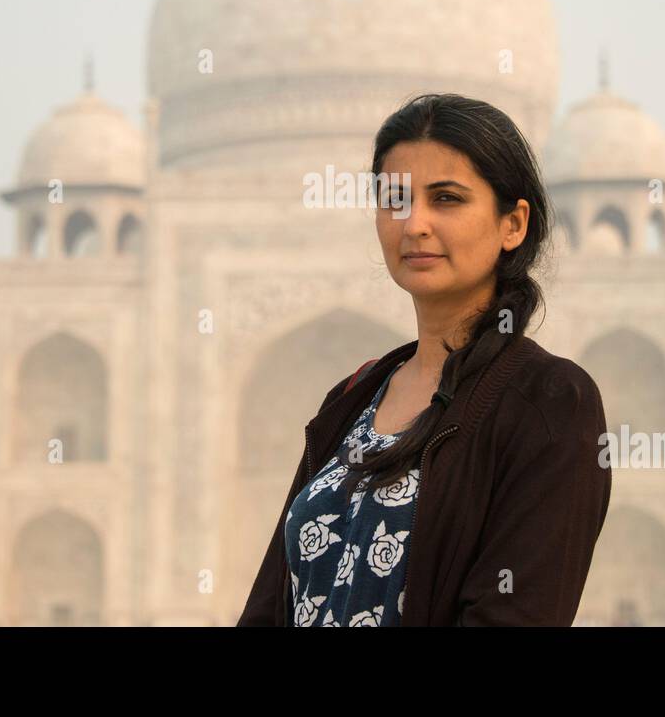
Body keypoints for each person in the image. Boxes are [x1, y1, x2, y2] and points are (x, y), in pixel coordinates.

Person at [237, 93, 612, 626]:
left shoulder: (549, 400)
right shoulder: (352, 399)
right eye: (395, 198)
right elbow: (270, 607)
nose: (413, 224)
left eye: (447, 199)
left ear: (514, 223)